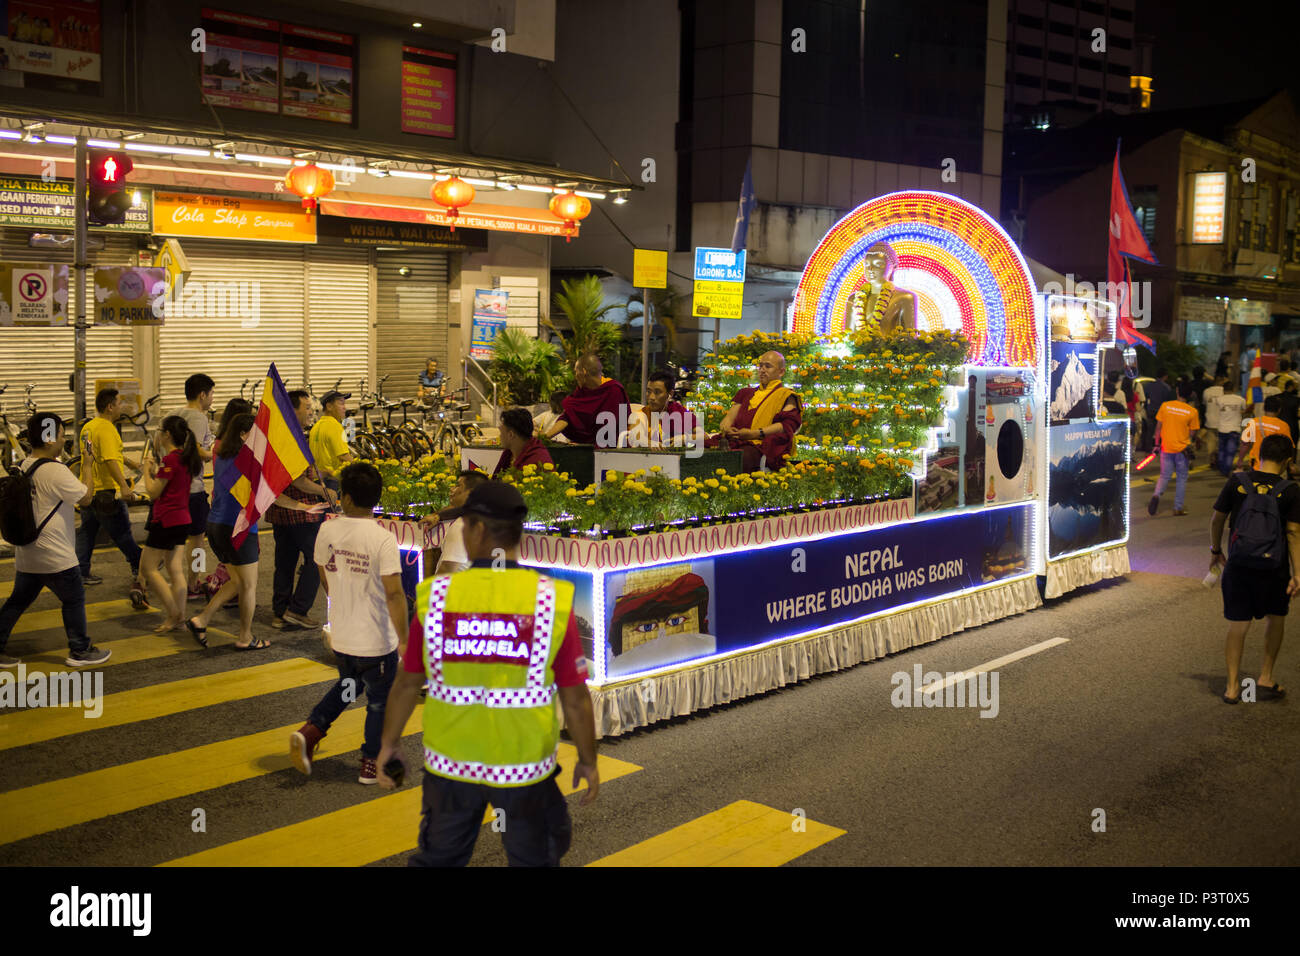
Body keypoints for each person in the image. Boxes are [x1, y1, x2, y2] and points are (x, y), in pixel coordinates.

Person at [376, 481, 600, 867]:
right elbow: (575, 698)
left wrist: (388, 745)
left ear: (476, 530)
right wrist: (587, 758)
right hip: (523, 768)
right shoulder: (549, 599)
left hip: (452, 766)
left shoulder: (438, 597)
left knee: (440, 859)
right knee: (536, 856)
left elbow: (408, 682)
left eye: (464, 524)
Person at [290, 462, 407, 784]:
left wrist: (339, 599)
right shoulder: (383, 540)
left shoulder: (327, 529)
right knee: (379, 703)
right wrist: (405, 639)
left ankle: (312, 729)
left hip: (341, 635)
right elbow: (395, 595)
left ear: (346, 498)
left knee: (349, 684)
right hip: (376, 640)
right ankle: (371, 762)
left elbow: (323, 573)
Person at [186, 413, 322, 650]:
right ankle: (245, 637)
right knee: (248, 585)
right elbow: (271, 496)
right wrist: (304, 506)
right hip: (239, 528)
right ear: (242, 434)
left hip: (216, 525)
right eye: (256, 433)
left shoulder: (223, 455)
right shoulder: (248, 461)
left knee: (237, 582)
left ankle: (201, 620)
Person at [0, 413, 108, 669]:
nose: (63, 439)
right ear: (49, 439)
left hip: (28, 551)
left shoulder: (25, 465)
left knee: (17, 602)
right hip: (56, 555)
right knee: (74, 599)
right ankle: (80, 650)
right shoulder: (56, 471)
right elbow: (86, 498)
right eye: (61, 434)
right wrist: (88, 465)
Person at [1210, 433, 1299, 703]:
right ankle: (1265, 675)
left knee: (1238, 625)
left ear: (1259, 454)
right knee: (1276, 618)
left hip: (1239, 563)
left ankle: (1232, 687)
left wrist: (1216, 551)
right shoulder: (1291, 489)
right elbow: (1293, 532)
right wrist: (1297, 573)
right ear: (1287, 461)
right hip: (1275, 567)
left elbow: (1217, 519)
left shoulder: (1238, 481)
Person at [76, 388, 146, 606]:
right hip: (106, 491)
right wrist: (124, 486)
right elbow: (108, 459)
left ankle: (81, 572)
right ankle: (141, 564)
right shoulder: (106, 428)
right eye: (118, 403)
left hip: (88, 489)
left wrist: (133, 464)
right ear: (110, 406)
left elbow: (104, 453)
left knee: (87, 532)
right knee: (122, 532)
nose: (121, 406)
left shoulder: (89, 427)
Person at [268, 389, 331, 631]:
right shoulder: (291, 438)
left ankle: (280, 612)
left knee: (284, 562)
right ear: (292, 410)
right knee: (318, 558)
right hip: (300, 510)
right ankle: (298, 609)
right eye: (307, 408)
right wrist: (324, 491)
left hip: (280, 513)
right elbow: (298, 480)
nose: (311, 413)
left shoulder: (280, 435)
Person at [139, 416, 202, 634]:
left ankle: (174, 612)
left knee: (148, 568)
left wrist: (146, 472)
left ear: (166, 435)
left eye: (159, 430)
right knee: (175, 569)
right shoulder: (183, 459)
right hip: (182, 519)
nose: (157, 433)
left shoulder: (170, 460)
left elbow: (154, 491)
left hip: (165, 520)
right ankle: (179, 617)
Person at [713, 350, 803, 472]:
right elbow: (727, 420)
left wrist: (754, 433)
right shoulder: (745, 393)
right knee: (705, 451)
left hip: (761, 445)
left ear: (781, 372)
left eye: (768, 366)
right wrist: (727, 429)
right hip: (735, 440)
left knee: (741, 457)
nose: (762, 369)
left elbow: (787, 426)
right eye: (760, 365)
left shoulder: (787, 395)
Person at [169, 373, 216, 599]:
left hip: (171, 487)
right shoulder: (198, 417)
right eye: (212, 394)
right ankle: (193, 582)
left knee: (166, 540)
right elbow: (196, 448)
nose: (212, 399)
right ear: (202, 394)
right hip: (192, 489)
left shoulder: (171, 414)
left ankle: (142, 581)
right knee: (197, 541)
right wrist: (214, 454)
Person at [543, 354, 629, 446]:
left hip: (612, 447)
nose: (575, 376)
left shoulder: (614, 390)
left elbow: (618, 425)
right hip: (587, 446)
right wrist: (546, 437)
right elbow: (568, 416)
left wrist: (587, 447)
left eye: (576, 372)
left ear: (583, 371)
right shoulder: (581, 392)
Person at [420, 470, 489, 575]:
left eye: (458, 485)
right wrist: (438, 516)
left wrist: (430, 591)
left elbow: (446, 571)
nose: (452, 489)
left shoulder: (463, 526)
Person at [1147, 382, 1200, 517]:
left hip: (1166, 447)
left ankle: (1156, 495)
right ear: (1190, 395)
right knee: (1181, 478)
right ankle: (1177, 508)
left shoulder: (1166, 406)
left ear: (1177, 391)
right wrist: (1188, 439)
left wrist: (1157, 444)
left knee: (1164, 475)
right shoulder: (1192, 412)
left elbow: (1158, 427)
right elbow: (1193, 432)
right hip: (1182, 450)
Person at [623, 369, 702, 447]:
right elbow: (635, 438)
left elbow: (703, 435)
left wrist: (685, 438)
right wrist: (648, 443)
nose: (651, 397)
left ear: (670, 394)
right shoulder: (642, 414)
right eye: (648, 391)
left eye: (657, 392)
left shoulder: (677, 410)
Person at [309, 390, 354, 493]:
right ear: (329, 407)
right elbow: (343, 456)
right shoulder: (335, 426)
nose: (344, 407)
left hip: (317, 481)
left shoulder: (316, 427)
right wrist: (362, 469)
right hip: (332, 481)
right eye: (341, 403)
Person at [1236, 395, 1292, 471]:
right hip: (1274, 467)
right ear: (1279, 409)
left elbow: (1245, 444)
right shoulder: (1283, 426)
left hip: (1256, 465)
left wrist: (1240, 460)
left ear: (1264, 408)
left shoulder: (1253, 422)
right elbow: (1287, 448)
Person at [493, 407, 553, 476]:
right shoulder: (510, 453)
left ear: (511, 435)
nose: (499, 436)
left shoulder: (537, 458)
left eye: (501, 432)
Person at [1215, 381, 1248, 476]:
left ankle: (1222, 468)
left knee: (1221, 449)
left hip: (1222, 428)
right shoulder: (1241, 400)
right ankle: (1226, 470)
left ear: (1223, 389)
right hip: (1234, 428)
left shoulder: (1219, 399)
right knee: (1230, 451)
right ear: (1234, 389)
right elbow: (1244, 411)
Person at [1140, 368, 1173, 454]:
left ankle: (1148, 447)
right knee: (1161, 430)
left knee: (1150, 430)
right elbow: (1168, 401)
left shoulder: (1149, 385)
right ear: (1165, 376)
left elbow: (1145, 397)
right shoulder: (1167, 387)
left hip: (1150, 410)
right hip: (1161, 412)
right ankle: (1160, 447)